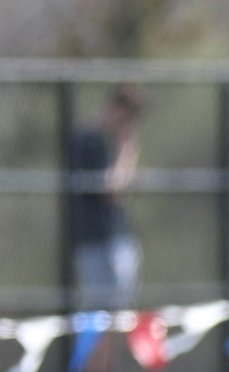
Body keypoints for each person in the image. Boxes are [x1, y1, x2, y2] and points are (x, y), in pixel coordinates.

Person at [68, 85, 143, 313]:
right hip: (95, 242)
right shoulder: (88, 141)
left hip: (116, 237)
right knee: (99, 317)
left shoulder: (108, 142)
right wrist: (127, 153)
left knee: (120, 315)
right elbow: (112, 190)